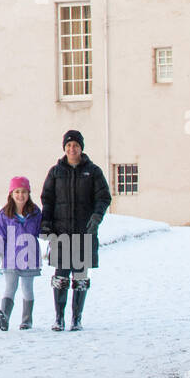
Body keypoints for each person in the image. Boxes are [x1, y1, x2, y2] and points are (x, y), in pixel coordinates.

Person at [39, 130, 111, 331]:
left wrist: (96, 218)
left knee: (80, 277)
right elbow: (47, 199)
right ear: (64, 148)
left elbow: (103, 198)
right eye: (69, 146)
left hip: (84, 232)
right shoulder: (55, 172)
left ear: (81, 148)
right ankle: (59, 318)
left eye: (76, 146)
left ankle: (76, 318)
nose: (72, 149)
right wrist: (46, 224)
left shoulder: (93, 171)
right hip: (61, 232)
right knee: (60, 277)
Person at [0, 176, 42, 331]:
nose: (21, 195)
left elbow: (43, 231)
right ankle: (4, 316)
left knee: (27, 289)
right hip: (11, 258)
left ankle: (27, 320)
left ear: (29, 193)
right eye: (17, 192)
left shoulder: (35, 213)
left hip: (29, 257)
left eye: (24, 192)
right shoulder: (5, 215)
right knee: (10, 287)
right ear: (11, 194)